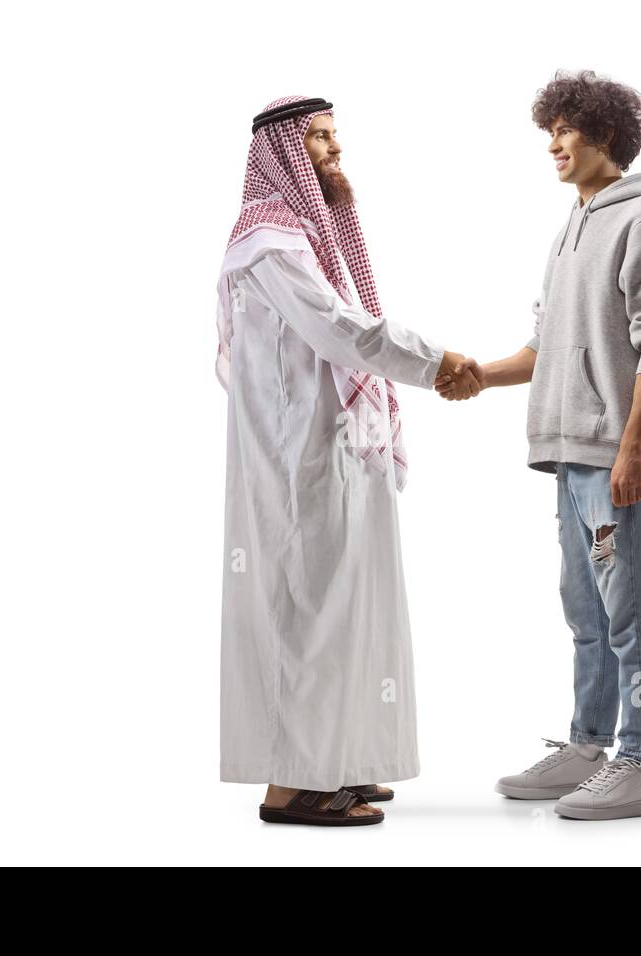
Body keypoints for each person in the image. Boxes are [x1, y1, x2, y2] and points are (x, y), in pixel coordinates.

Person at [215, 95, 478, 826]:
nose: (333, 150)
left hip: (339, 449)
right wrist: (438, 364)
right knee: (307, 609)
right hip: (296, 459)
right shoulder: (269, 242)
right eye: (318, 138)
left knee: (354, 608)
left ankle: (339, 760)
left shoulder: (304, 234)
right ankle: (292, 784)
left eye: (335, 136)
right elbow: (341, 330)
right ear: (282, 152)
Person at [437, 71, 641, 820]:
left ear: (603, 135)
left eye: (563, 129)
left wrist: (634, 448)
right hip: (567, 454)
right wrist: (478, 375)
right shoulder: (570, 226)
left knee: (633, 615)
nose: (553, 144)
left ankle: (640, 762)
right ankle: (587, 746)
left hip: (613, 456)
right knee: (585, 613)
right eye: (549, 131)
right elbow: (546, 347)